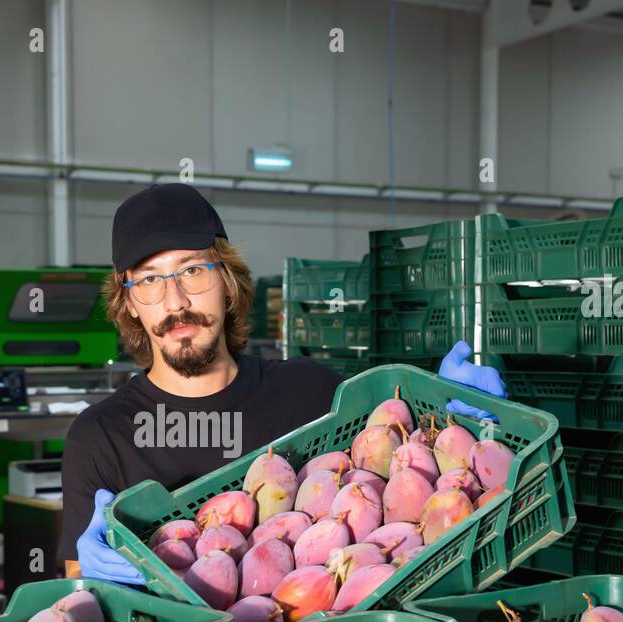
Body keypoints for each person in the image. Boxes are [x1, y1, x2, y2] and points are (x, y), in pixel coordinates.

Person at [57, 183, 505, 583]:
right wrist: (91, 578)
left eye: (192, 270)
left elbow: (405, 467)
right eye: (150, 279)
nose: (175, 301)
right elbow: (78, 593)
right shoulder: (100, 436)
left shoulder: (311, 393)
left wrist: (450, 413)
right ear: (130, 302)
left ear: (227, 281)